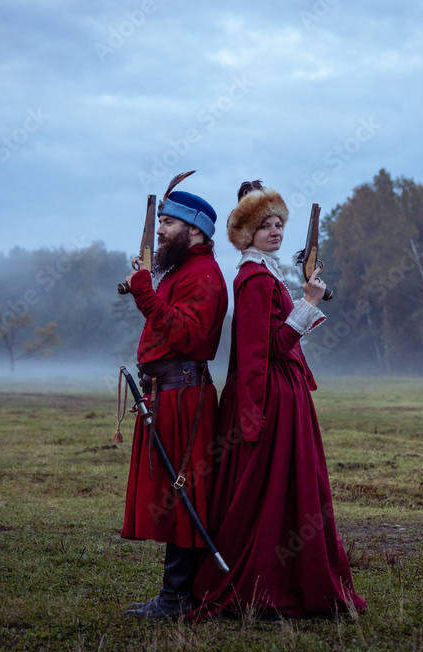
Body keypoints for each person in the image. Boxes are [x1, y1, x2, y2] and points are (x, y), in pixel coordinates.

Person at [189, 181, 366, 620]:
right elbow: (265, 349)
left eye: (278, 224)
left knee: (285, 490)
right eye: (265, 226)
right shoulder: (253, 279)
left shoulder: (264, 273)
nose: (275, 232)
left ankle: (282, 578)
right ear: (246, 234)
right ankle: (264, 584)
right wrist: (308, 302)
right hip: (270, 397)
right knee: (270, 492)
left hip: (281, 393)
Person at [120, 179, 228, 619]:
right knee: (174, 490)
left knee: (184, 493)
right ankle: (177, 594)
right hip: (168, 393)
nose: (160, 231)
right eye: (160, 221)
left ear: (195, 230)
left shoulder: (204, 275)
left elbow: (186, 334)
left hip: (185, 398)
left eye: (168, 223)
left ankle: (177, 598)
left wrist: (144, 293)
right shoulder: (182, 271)